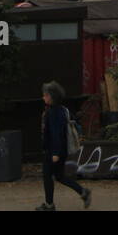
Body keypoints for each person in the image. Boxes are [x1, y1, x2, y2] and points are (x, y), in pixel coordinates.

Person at [37, 80, 90, 210]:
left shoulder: (54, 112)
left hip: (54, 151)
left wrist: (55, 153)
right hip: (61, 149)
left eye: (45, 94)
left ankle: (49, 205)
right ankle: (83, 192)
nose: (43, 97)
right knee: (59, 176)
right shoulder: (61, 110)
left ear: (51, 96)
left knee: (47, 176)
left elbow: (56, 133)